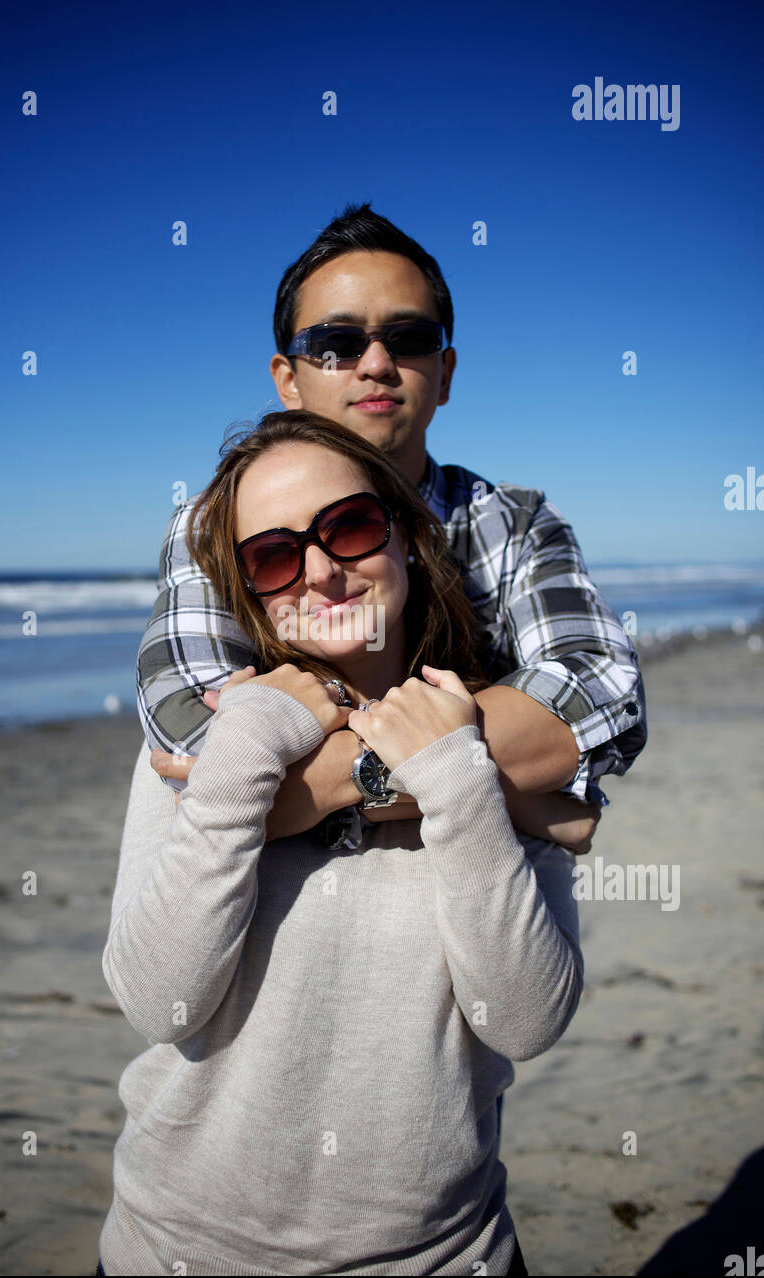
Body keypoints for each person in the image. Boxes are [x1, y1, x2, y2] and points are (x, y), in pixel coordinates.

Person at [98, 411, 584, 1275]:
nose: (320, 572)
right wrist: (247, 753)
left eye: (349, 527)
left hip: (438, 1258)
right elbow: (156, 998)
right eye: (274, 556)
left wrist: (458, 779)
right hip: (173, 1252)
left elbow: (526, 1020)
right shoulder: (203, 748)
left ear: (404, 537)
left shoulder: (485, 738)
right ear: (245, 588)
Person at [136, 203, 646, 855]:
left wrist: (332, 779)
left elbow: (600, 695)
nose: (376, 363)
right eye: (337, 344)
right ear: (288, 379)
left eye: (408, 339)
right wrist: (524, 798)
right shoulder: (218, 520)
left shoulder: (510, 522)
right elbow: (189, 734)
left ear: (446, 373)